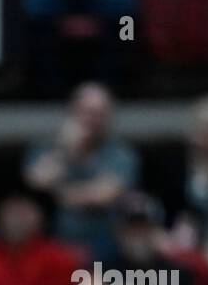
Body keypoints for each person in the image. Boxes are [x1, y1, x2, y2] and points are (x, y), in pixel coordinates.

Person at [24, 80, 140, 262]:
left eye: (100, 113)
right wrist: (65, 151)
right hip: (52, 240)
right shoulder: (47, 147)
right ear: (71, 111)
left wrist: (58, 193)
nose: (93, 120)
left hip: (106, 243)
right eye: (87, 112)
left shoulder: (121, 153)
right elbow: (36, 181)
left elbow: (103, 196)